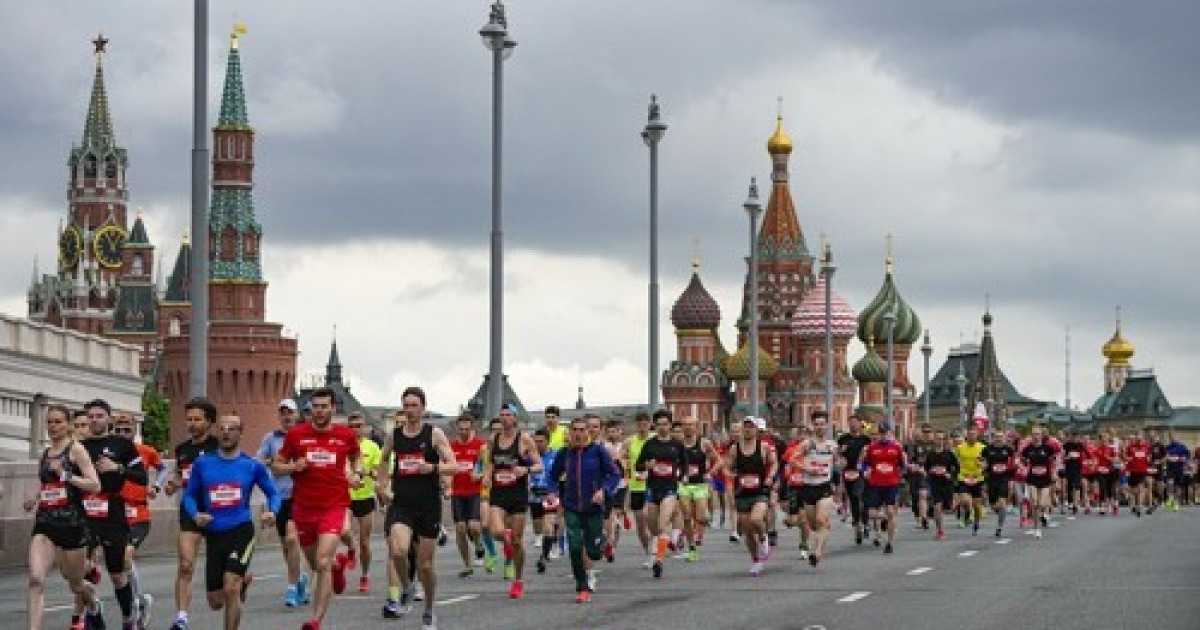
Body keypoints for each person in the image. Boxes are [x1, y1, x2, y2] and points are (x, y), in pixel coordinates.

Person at [274, 387, 362, 630]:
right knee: (317, 564)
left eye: (324, 406)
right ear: (311, 408)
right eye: (316, 406)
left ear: (333, 408)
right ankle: (337, 567)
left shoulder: (345, 435)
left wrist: (357, 473)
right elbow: (277, 466)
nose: (320, 411)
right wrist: (293, 467)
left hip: (334, 505)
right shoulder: (296, 435)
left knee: (322, 561)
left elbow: (356, 456)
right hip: (303, 507)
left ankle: (316, 620)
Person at [182, 415, 280, 630]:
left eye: (232, 428)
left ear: (240, 432)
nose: (226, 432)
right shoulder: (203, 463)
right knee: (216, 602)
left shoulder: (251, 465)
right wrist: (196, 514)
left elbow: (274, 493)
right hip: (214, 533)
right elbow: (189, 495)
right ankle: (242, 582)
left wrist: (272, 512)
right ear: (217, 431)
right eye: (222, 428)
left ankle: (237, 583)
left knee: (230, 586)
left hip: (241, 530)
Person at [375, 386, 456, 629]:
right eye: (406, 406)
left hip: (428, 505)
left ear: (423, 408)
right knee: (398, 550)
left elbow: (453, 465)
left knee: (425, 565)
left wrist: (433, 468)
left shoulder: (434, 434)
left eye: (414, 406)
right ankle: (408, 587)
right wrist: (382, 486)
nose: (409, 410)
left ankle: (429, 610)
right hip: (402, 503)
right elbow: (383, 460)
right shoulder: (394, 435)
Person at [25, 404, 102, 630]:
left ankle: (93, 602)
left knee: (75, 583)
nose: (53, 426)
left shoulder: (76, 450)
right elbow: (48, 484)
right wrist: (35, 497)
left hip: (72, 525)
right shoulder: (45, 453)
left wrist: (66, 474)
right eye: (49, 422)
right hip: (45, 523)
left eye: (58, 422)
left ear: (68, 425)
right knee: (35, 579)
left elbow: (95, 485)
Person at [80, 399, 149, 630]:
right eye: (91, 416)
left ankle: (129, 618)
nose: (94, 420)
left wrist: (117, 468)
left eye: (99, 416)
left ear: (108, 419)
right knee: (82, 571)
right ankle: (93, 609)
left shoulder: (121, 445)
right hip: (85, 512)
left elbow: (142, 477)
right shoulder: (79, 447)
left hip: (112, 512)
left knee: (117, 574)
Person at [546, 418, 622, 603]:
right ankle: (582, 586)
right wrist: (551, 492)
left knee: (594, 552)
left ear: (588, 432)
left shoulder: (598, 451)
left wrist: (604, 491)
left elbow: (614, 474)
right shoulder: (564, 453)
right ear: (570, 432)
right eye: (575, 430)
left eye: (582, 430)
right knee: (574, 547)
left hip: (593, 507)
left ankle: (601, 542)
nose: (578, 433)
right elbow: (553, 476)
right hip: (571, 506)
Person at [167, 398, 220, 630]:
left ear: (209, 422)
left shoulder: (219, 446)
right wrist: (174, 484)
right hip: (190, 511)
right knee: (186, 565)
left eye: (197, 419)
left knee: (222, 579)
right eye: (189, 419)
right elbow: (181, 475)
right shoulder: (182, 449)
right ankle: (181, 617)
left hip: (218, 511)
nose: (192, 424)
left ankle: (239, 581)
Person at [481, 403, 542, 599]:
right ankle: (505, 536)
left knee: (517, 541)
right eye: (502, 414)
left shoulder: (524, 440)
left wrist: (526, 469)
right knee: (495, 530)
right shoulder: (494, 439)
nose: (505, 418)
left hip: (517, 494)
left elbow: (539, 465)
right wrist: (487, 476)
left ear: (515, 418)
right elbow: (490, 462)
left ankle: (518, 580)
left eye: (509, 415)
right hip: (498, 492)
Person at [256, 399, 309, 608]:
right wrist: (273, 462)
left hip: (299, 495)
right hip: (278, 496)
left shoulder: (304, 437)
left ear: (296, 415)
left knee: (292, 538)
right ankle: (300, 577)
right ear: (279, 416)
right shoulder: (271, 438)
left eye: (290, 413)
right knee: (286, 546)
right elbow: (258, 460)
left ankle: (292, 586)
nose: (287, 417)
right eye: (283, 413)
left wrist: (292, 467)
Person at [114, 413, 164, 628]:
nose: (122, 434)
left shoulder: (145, 451)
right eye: (118, 430)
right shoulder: (109, 453)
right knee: (122, 563)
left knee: (126, 555)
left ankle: (135, 603)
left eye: (127, 430)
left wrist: (156, 486)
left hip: (139, 514)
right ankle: (140, 599)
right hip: (116, 513)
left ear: (134, 430)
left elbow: (163, 468)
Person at [633, 409, 686, 579]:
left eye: (665, 424)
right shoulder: (650, 444)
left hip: (669, 488)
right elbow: (638, 465)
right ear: (655, 426)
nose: (662, 427)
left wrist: (682, 476)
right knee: (653, 527)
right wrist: (646, 466)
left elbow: (684, 464)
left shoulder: (677, 444)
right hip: (652, 489)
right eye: (659, 424)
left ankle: (659, 560)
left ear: (670, 425)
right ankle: (661, 544)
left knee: (663, 525)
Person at [336, 411, 382, 594]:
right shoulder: (342, 445)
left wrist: (367, 473)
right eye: (351, 426)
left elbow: (380, 473)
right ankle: (350, 547)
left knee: (365, 542)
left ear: (364, 427)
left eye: (358, 426)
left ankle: (365, 575)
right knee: (343, 531)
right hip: (346, 496)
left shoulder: (372, 447)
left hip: (366, 496)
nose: (355, 429)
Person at [725, 417, 776, 575]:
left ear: (756, 430)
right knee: (747, 530)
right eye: (745, 427)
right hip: (742, 492)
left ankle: (764, 537)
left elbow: (774, 463)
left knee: (756, 519)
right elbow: (727, 467)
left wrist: (770, 476)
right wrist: (730, 474)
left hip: (760, 491)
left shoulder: (764, 447)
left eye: (751, 427)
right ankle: (756, 560)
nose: (748, 430)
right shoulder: (735, 449)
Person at [786, 414, 838, 567]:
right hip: (808, 487)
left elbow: (837, 463)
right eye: (817, 424)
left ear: (827, 426)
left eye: (822, 424)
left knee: (821, 519)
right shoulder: (807, 444)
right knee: (814, 525)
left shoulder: (832, 446)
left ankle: (817, 552)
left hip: (824, 486)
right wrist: (807, 469)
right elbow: (792, 460)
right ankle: (823, 532)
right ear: (813, 426)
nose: (820, 427)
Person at [448, 414, 487, 578]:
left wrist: (480, 475)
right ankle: (467, 564)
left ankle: (478, 544)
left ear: (472, 428)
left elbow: (487, 467)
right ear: (457, 429)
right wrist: (446, 483)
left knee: (474, 527)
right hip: (457, 492)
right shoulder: (451, 446)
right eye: (461, 429)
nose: (464, 432)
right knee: (460, 529)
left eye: (467, 429)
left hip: (474, 492)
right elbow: (447, 467)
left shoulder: (480, 445)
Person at [677, 415, 718, 562]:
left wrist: (710, 473)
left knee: (701, 518)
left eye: (691, 425)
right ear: (682, 427)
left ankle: (698, 525)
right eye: (685, 425)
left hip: (700, 485)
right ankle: (692, 548)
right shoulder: (677, 444)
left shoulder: (704, 443)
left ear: (696, 427)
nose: (688, 427)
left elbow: (719, 461)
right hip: (684, 485)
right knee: (687, 516)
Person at [862, 423, 906, 554]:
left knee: (891, 511)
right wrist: (865, 471)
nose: (883, 436)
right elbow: (864, 463)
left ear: (890, 433)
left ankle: (889, 543)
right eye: (881, 433)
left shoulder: (896, 447)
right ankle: (886, 519)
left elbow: (902, 464)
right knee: (871, 514)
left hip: (891, 483)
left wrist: (899, 475)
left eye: (885, 433)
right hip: (875, 483)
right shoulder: (872, 448)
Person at [619, 412, 655, 565]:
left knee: (649, 518)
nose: (642, 426)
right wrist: (625, 465)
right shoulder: (629, 441)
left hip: (653, 485)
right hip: (636, 486)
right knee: (640, 525)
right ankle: (648, 551)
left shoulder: (655, 439)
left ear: (649, 424)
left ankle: (654, 552)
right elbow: (620, 457)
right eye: (639, 424)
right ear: (636, 425)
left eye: (645, 423)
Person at [836, 415, 872, 545]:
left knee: (860, 496)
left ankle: (866, 522)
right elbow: (838, 454)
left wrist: (868, 468)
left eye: (855, 422)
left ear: (860, 424)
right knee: (853, 500)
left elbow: (870, 455)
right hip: (848, 473)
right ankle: (858, 527)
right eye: (851, 422)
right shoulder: (843, 439)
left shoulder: (866, 439)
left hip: (862, 473)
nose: (853, 425)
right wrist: (840, 459)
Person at [528, 429, 560, 574]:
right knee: (538, 529)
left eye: (541, 441)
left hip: (550, 494)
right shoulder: (530, 457)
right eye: (535, 441)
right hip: (535, 495)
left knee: (548, 526)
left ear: (548, 441)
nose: (537, 444)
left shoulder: (556, 456)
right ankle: (552, 540)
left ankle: (544, 557)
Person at [1021, 426, 1057, 537]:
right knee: (1035, 503)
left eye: (1037, 434)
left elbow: (1054, 461)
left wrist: (1054, 472)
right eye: (1033, 434)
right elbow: (1022, 460)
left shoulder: (1048, 448)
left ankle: (1042, 516)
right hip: (1032, 478)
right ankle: (1037, 528)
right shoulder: (1028, 449)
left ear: (1041, 435)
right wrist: (1023, 467)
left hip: (1045, 478)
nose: (1035, 436)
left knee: (1042, 503)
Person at [924, 433, 960, 540]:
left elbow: (957, 467)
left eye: (941, 439)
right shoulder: (930, 454)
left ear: (943, 441)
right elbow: (926, 468)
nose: (939, 441)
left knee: (948, 509)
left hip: (947, 484)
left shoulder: (949, 454)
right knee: (937, 508)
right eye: (937, 438)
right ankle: (940, 531)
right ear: (934, 440)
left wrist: (951, 475)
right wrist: (930, 472)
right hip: (935, 484)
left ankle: (957, 505)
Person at [981, 429, 1016, 537]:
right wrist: (982, 465)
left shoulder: (1009, 450)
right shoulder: (987, 449)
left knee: (1001, 502)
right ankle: (1000, 511)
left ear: (1004, 438)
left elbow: (1014, 463)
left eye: (1001, 437)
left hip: (1004, 479)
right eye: (997, 437)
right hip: (991, 480)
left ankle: (999, 527)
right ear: (993, 438)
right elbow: (981, 461)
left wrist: (1012, 476)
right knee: (993, 505)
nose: (999, 439)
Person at [953, 426, 986, 535]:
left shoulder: (982, 447)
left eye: (973, 434)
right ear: (966, 436)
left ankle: (976, 522)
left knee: (977, 506)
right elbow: (953, 458)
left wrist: (982, 465)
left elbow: (987, 463)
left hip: (977, 479)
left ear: (977, 436)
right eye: (969, 435)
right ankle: (967, 514)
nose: (971, 437)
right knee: (964, 500)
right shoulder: (960, 447)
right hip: (964, 478)